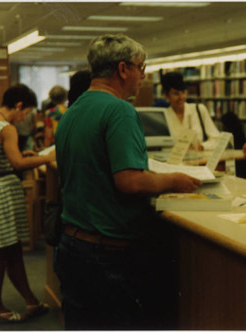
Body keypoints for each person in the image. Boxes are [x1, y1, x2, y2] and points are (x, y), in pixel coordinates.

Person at [53, 34, 201, 330]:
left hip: (71, 246)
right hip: (106, 255)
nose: (143, 76)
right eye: (140, 67)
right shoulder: (119, 110)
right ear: (123, 69)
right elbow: (130, 182)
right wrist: (173, 179)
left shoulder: (73, 112)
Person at [0, 84, 56, 323]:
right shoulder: (7, 128)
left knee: (11, 251)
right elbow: (15, 164)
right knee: (0, 252)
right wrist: (46, 157)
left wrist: (22, 156)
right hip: (3, 192)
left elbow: (2, 156)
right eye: (25, 113)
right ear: (19, 105)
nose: (25, 118)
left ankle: (31, 302)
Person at [161, 71, 220, 150]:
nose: (181, 97)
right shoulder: (163, 117)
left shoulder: (199, 110)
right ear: (166, 96)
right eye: (176, 93)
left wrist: (202, 146)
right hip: (173, 162)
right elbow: (162, 147)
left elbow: (217, 139)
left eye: (183, 92)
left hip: (199, 160)